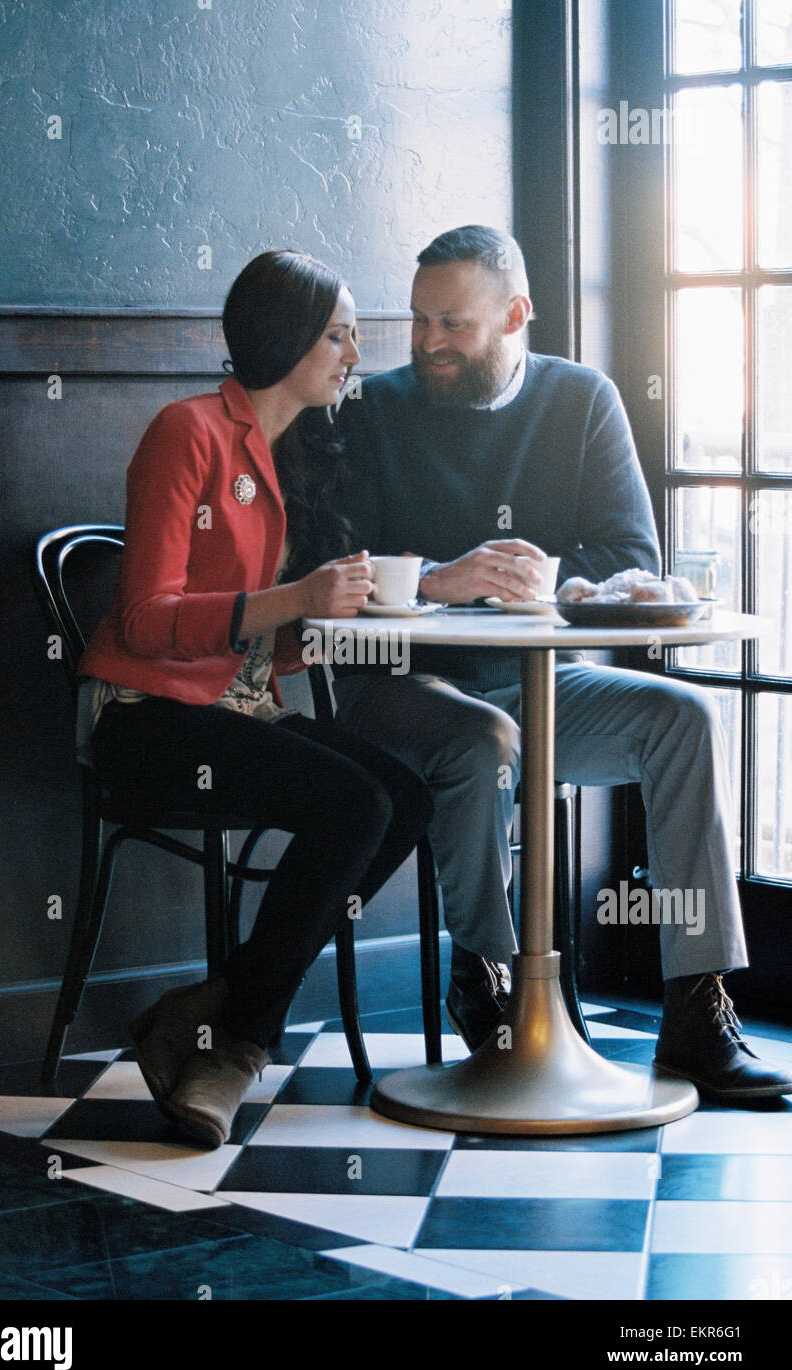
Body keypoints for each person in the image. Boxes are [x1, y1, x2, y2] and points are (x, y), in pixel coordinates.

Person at [332, 224, 792, 1103]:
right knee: (486, 736)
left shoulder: (581, 401)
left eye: (452, 325)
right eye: (419, 321)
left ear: (515, 314)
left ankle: (695, 1013)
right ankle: (488, 975)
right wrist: (444, 577)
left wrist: (546, 576)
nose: (427, 343)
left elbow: (628, 550)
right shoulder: (373, 411)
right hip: (398, 687)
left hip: (537, 682)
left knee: (682, 719)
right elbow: (340, 561)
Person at [76, 250, 433, 1147]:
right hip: (145, 718)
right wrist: (296, 601)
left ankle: (212, 1008)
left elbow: (282, 624)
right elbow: (146, 618)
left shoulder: (297, 453)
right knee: (353, 802)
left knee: (407, 799)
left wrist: (399, 596)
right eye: (339, 336)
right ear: (285, 339)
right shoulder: (186, 431)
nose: (355, 354)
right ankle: (236, 1047)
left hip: (237, 713)